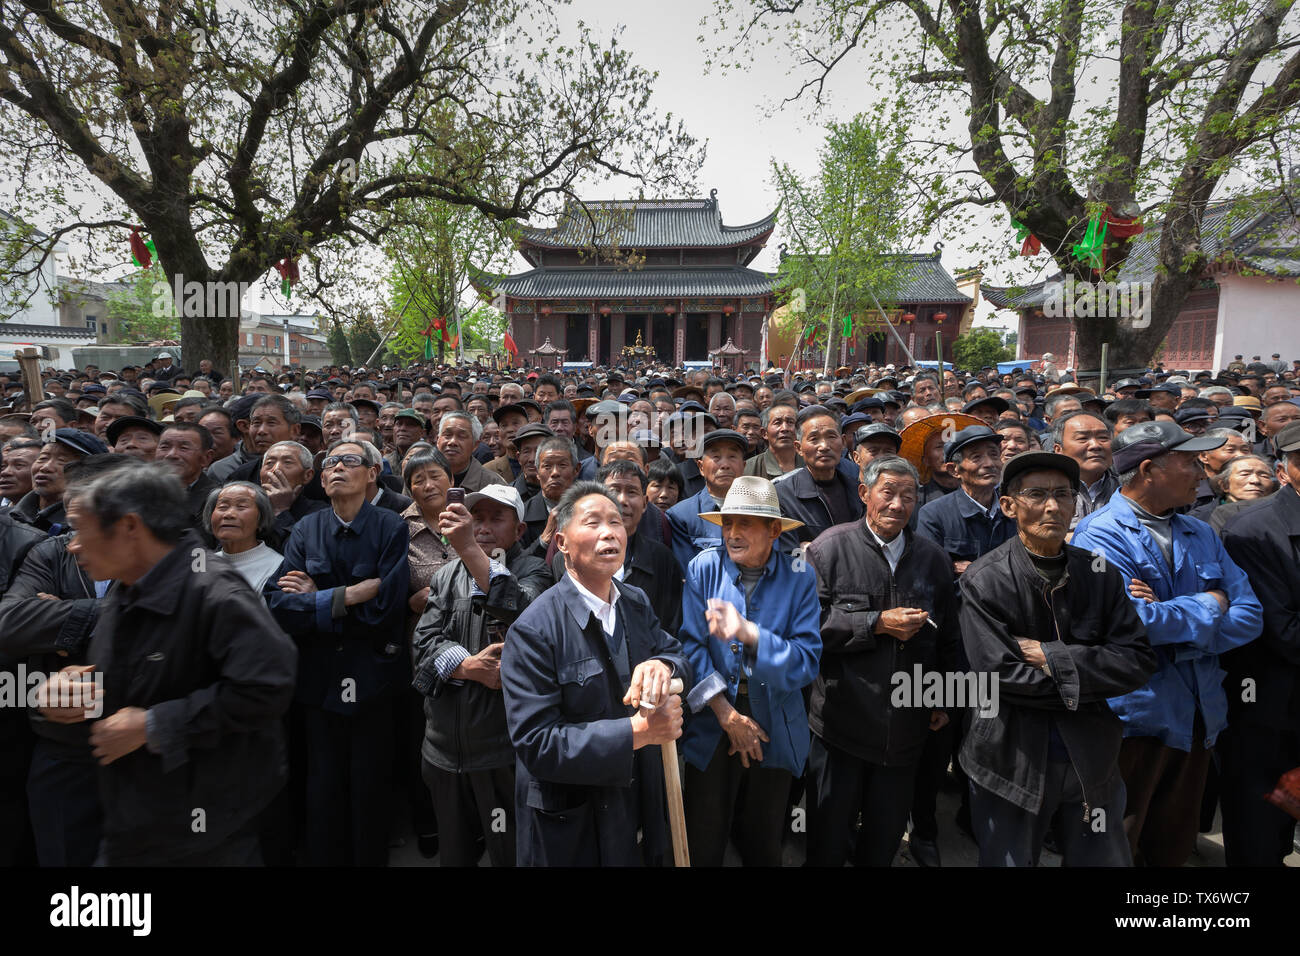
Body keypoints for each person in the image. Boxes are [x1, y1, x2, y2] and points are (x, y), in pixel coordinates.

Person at [43, 460, 296, 865]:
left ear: (129, 527)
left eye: (81, 528)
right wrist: (78, 688)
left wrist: (154, 726)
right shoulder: (129, 588)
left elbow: (266, 687)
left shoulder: (213, 593)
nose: (73, 545)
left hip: (202, 829)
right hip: (134, 815)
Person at [1071, 421, 1262, 866]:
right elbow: (1130, 623)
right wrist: (1209, 604)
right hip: (1137, 716)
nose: (1202, 472)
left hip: (1199, 712)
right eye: (1190, 462)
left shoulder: (1202, 532)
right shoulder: (1100, 534)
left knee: (1172, 842)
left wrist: (1175, 623)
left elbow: (1250, 615)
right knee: (1114, 842)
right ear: (1148, 469)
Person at [958, 451, 1157, 866]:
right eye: (1037, 494)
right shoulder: (984, 579)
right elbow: (1000, 676)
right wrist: (1094, 673)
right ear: (1009, 506)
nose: (1052, 506)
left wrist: (1052, 656)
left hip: (1092, 754)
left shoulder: (1098, 573)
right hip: (1012, 756)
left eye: (1063, 495)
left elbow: (1137, 661)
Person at [501, 482, 692, 866]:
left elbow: (676, 653)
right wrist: (637, 732)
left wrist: (663, 666)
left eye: (617, 522)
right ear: (563, 542)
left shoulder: (634, 601)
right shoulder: (534, 629)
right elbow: (537, 743)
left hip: (636, 802)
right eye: (593, 523)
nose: (609, 531)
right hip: (573, 819)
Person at [804, 455, 959, 866]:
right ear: (864, 493)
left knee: (884, 835)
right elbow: (807, 630)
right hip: (842, 723)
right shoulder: (828, 550)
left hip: (906, 728)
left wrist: (941, 698)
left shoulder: (933, 559)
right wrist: (874, 623)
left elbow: (949, 639)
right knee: (828, 833)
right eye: (887, 493)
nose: (897, 505)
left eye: (908, 496)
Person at [264, 439, 410, 866]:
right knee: (321, 785)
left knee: (369, 786)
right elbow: (282, 606)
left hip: (374, 678)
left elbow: (385, 610)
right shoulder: (306, 530)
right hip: (319, 679)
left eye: (350, 461)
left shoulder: (390, 527)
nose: (337, 468)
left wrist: (317, 600)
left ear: (372, 474)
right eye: (330, 463)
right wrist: (344, 597)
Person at [678, 476, 820, 867]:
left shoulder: (800, 574)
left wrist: (750, 634)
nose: (733, 533)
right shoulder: (703, 568)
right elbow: (690, 645)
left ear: (775, 531)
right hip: (713, 720)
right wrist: (726, 714)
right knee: (704, 837)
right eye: (727, 524)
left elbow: (806, 661)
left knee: (763, 838)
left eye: (746, 524)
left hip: (774, 723)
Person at [411, 485, 552, 866]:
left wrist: (470, 550)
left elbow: (522, 613)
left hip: (503, 754)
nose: (484, 527)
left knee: (511, 851)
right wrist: (468, 667)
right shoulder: (447, 574)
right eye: (478, 518)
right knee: (456, 854)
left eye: (496, 518)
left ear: (520, 530)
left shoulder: (535, 570)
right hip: (442, 750)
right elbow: (422, 642)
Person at [1220, 421, 1300, 865]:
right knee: (1261, 835)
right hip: (1270, 709)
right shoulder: (1252, 531)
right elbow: (1281, 631)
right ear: (1285, 469)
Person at [916, 425, 1016, 577]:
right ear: (954, 470)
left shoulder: (1016, 509)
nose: (989, 464)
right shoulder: (934, 515)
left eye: (994, 455)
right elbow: (929, 573)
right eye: (977, 457)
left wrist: (974, 569)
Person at [773, 405, 864, 550]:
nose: (824, 446)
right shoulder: (782, 495)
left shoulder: (858, 489)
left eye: (831, 436)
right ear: (798, 448)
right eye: (814, 439)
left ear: (843, 442)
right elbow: (787, 553)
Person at [667, 429, 748, 572]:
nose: (725, 465)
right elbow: (689, 573)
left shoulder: (761, 512)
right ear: (701, 467)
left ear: (744, 466)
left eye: (732, 456)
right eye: (716, 457)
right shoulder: (681, 516)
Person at [204, 481, 284, 592]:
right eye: (223, 507)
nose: (229, 514)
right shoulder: (203, 564)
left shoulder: (276, 568)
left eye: (241, 507)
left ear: (261, 518)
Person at [1051, 410, 1119, 530]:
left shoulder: (1128, 488)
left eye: (1103, 438)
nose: (1095, 445)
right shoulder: (1045, 491)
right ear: (1058, 449)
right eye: (1082, 438)